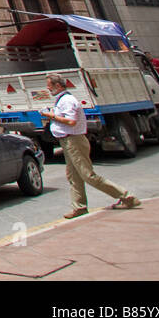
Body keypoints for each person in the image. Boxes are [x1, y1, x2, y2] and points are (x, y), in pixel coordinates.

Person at [39, 72, 139, 218]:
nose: (48, 89)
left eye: (49, 86)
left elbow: (71, 121)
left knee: (88, 175)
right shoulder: (61, 100)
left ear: (58, 85)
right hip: (67, 141)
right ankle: (79, 207)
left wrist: (51, 116)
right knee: (73, 176)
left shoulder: (67, 100)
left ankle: (126, 196)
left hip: (74, 140)